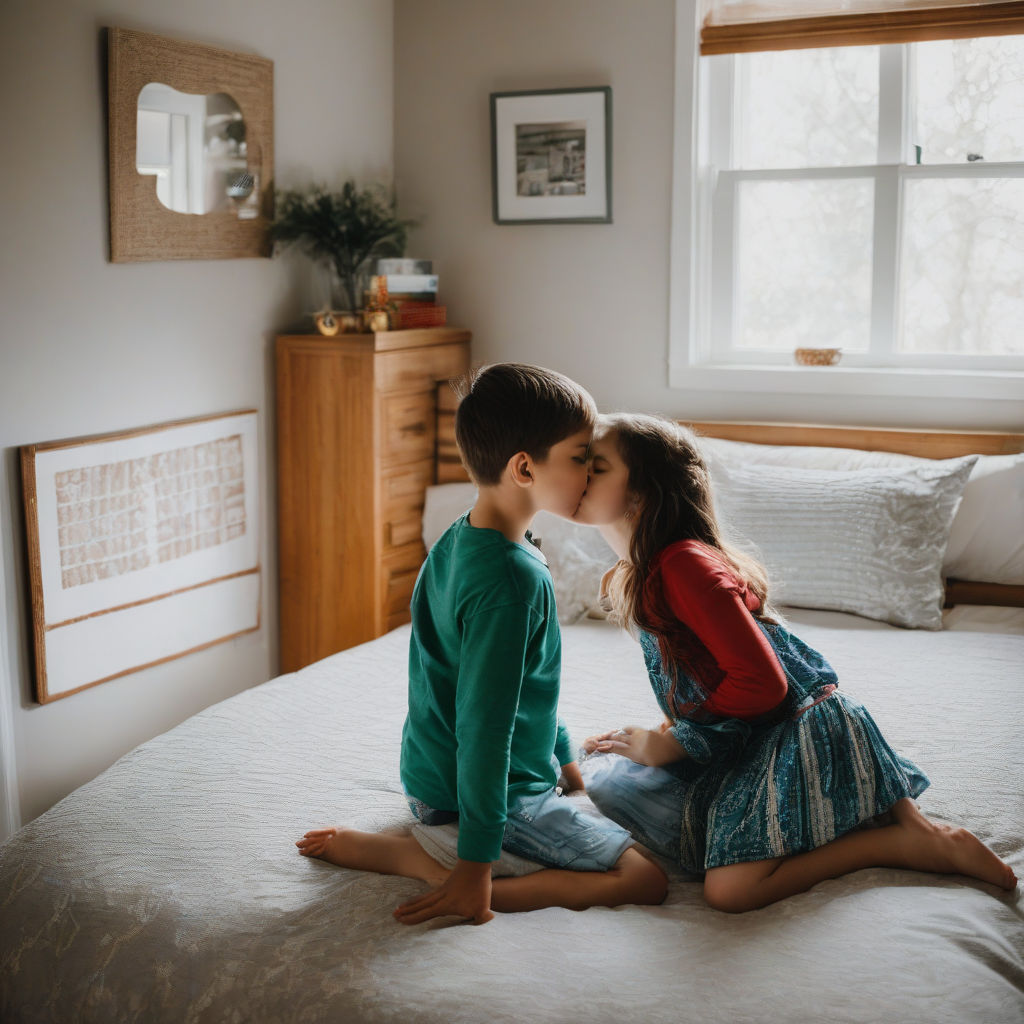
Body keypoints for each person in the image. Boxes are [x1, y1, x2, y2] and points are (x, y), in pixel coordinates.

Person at [572, 413, 1017, 914]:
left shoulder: (683, 565)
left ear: (644, 490)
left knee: (729, 891)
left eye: (598, 466)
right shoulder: (637, 571)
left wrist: (674, 742)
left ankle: (900, 842)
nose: (580, 476)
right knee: (607, 774)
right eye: (579, 462)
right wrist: (661, 732)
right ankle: (867, 819)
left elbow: (765, 684)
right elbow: (704, 669)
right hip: (751, 731)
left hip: (798, 728)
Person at [296, 366, 667, 924]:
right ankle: (438, 867)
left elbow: (525, 684)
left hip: (428, 782)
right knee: (646, 877)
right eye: (578, 455)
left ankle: (441, 843)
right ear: (524, 467)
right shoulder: (513, 582)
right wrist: (474, 867)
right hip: (480, 799)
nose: (589, 470)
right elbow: (485, 726)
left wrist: (566, 759)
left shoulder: (459, 539)